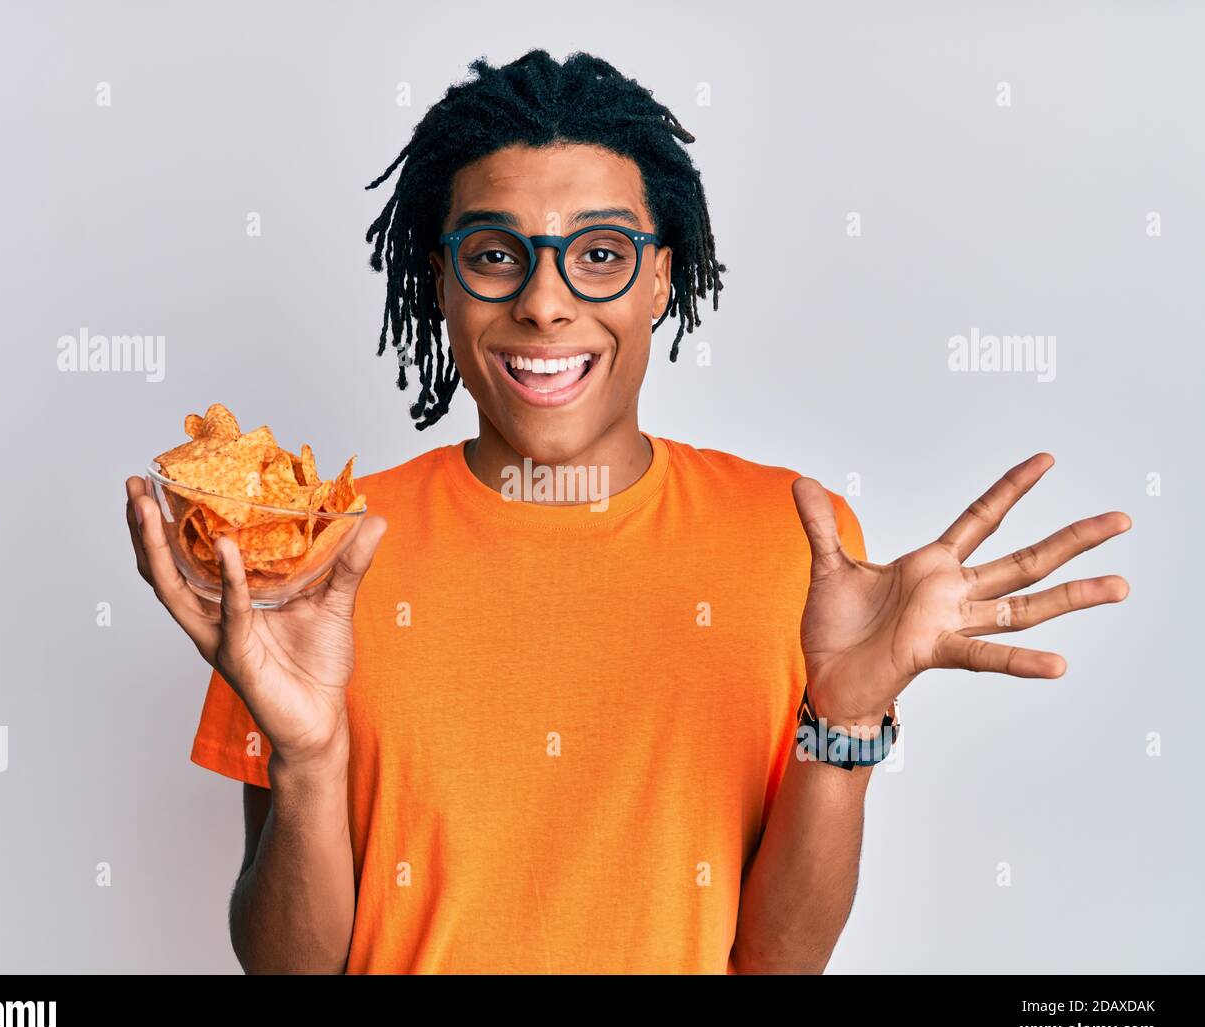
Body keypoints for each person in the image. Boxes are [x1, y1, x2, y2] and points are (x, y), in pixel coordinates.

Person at [123, 49, 1131, 974]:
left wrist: (846, 720)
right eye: (494, 254)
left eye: (598, 254)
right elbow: (286, 968)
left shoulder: (795, 546)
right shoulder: (314, 558)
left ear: (659, 276)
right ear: (439, 281)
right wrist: (307, 760)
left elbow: (778, 962)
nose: (545, 304)